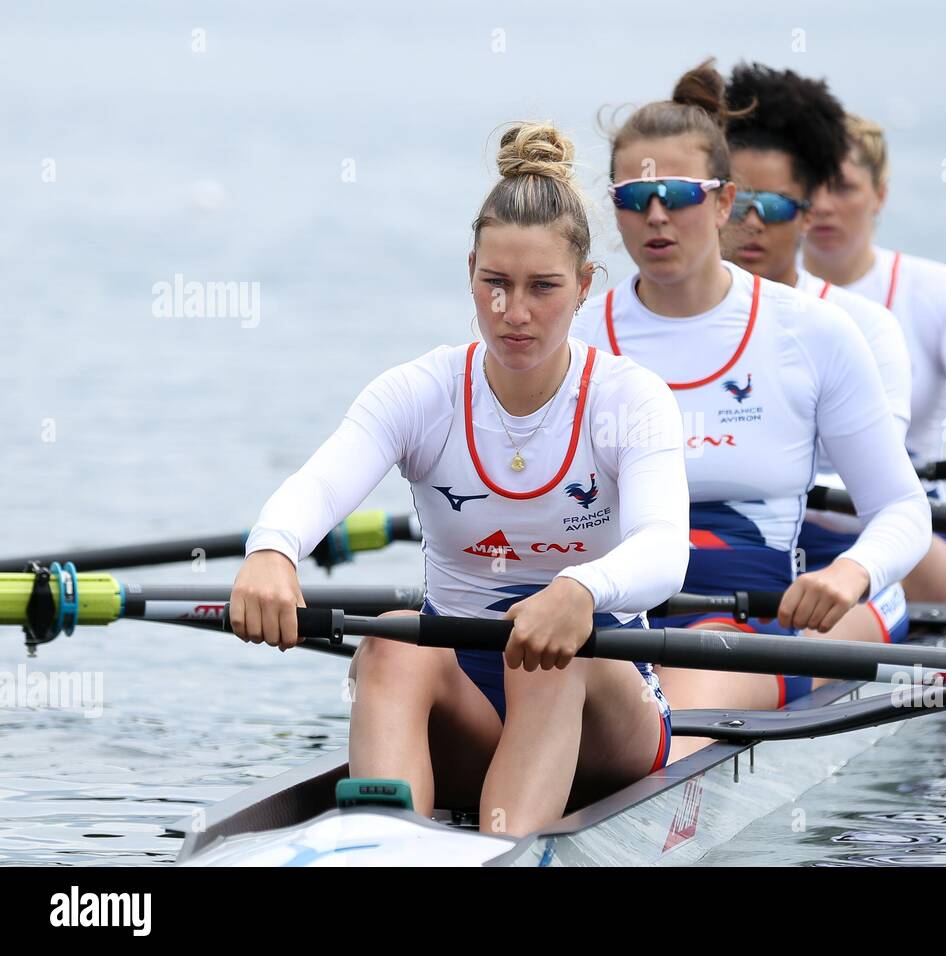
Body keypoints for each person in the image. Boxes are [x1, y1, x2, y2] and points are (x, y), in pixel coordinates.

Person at [228, 122, 690, 835]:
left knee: (544, 656)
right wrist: (272, 549)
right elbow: (318, 485)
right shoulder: (421, 391)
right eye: (495, 284)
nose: (515, 312)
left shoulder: (628, 399)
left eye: (543, 287)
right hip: (470, 709)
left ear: (586, 286)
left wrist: (579, 590)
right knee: (389, 641)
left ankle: (500, 845)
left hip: (605, 705)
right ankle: (385, 845)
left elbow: (665, 548)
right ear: (470, 268)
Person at [573, 62, 929, 760]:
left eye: (676, 193)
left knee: (643, 730)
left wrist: (848, 575)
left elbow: (903, 511)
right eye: (632, 195)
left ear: (724, 199)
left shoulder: (813, 332)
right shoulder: (577, 333)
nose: (654, 215)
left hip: (750, 624)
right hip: (607, 616)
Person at [721, 60, 912, 648]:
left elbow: (874, 501)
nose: (752, 224)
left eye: (774, 206)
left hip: (837, 569)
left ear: (807, 210)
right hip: (705, 571)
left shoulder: (863, 329)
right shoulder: (658, 324)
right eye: (736, 203)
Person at [802, 115, 946, 604]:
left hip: (908, 518)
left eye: (842, 188)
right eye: (811, 188)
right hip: (784, 522)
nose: (822, 206)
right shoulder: (760, 296)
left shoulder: (937, 291)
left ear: (880, 195)